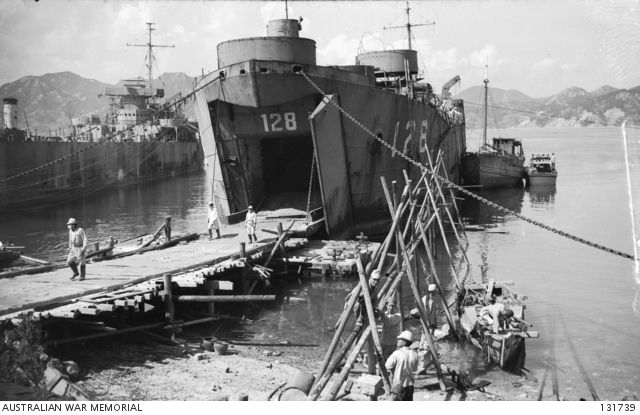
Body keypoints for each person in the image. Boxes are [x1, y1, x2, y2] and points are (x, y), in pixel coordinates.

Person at [385, 330, 419, 401]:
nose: (397, 341)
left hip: (398, 386)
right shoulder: (415, 354)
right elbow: (415, 369)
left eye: (399, 339)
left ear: (404, 342)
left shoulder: (397, 353)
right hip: (410, 386)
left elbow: (388, 366)